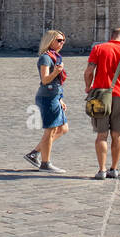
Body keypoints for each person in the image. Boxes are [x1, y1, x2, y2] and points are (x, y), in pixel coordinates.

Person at [84, 26, 120, 179]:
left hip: (99, 96)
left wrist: (88, 86)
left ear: (111, 36)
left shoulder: (98, 48)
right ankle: (114, 169)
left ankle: (102, 170)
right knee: (117, 135)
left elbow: (89, 71)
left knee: (101, 135)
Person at [25, 29, 69, 172]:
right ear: (50, 41)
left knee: (63, 129)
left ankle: (34, 153)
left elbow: (57, 82)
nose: (62, 43)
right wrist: (56, 71)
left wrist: (60, 99)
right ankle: (45, 163)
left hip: (55, 96)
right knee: (50, 131)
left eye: (63, 40)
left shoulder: (56, 56)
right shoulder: (46, 58)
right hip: (47, 97)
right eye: (59, 40)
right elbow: (45, 80)